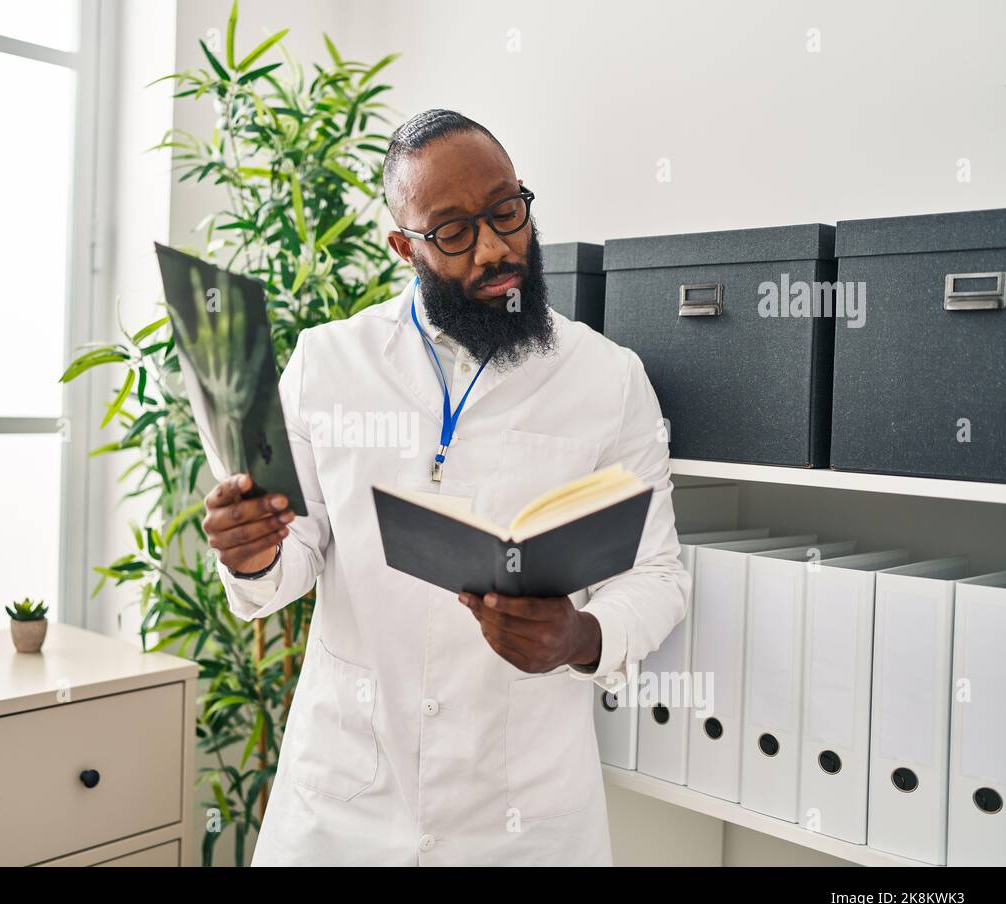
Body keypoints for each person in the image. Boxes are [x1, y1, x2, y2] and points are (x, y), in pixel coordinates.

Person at [201, 108, 690, 865]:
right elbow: (294, 557)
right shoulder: (329, 362)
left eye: (507, 210)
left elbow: (657, 573)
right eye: (455, 231)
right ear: (406, 246)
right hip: (346, 796)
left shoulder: (608, 377)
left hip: (522, 812)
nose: (496, 247)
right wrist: (252, 553)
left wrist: (582, 638)